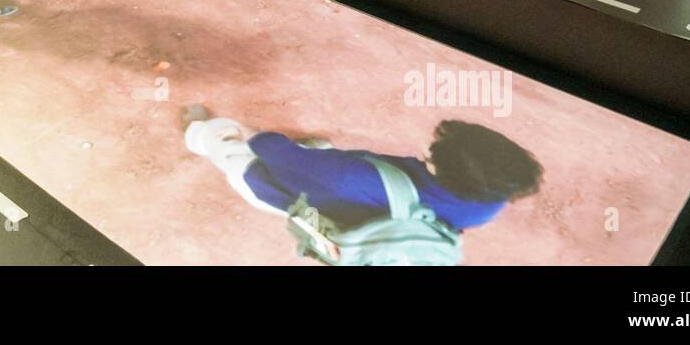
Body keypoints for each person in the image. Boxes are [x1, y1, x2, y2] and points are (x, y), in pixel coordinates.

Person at [183, 110, 542, 238]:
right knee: (316, 160)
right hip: (359, 209)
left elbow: (270, 149)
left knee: (236, 155)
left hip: (281, 187)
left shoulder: (348, 176)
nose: (428, 148)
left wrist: (250, 133)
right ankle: (312, 154)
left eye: (432, 154)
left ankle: (200, 135)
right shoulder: (491, 200)